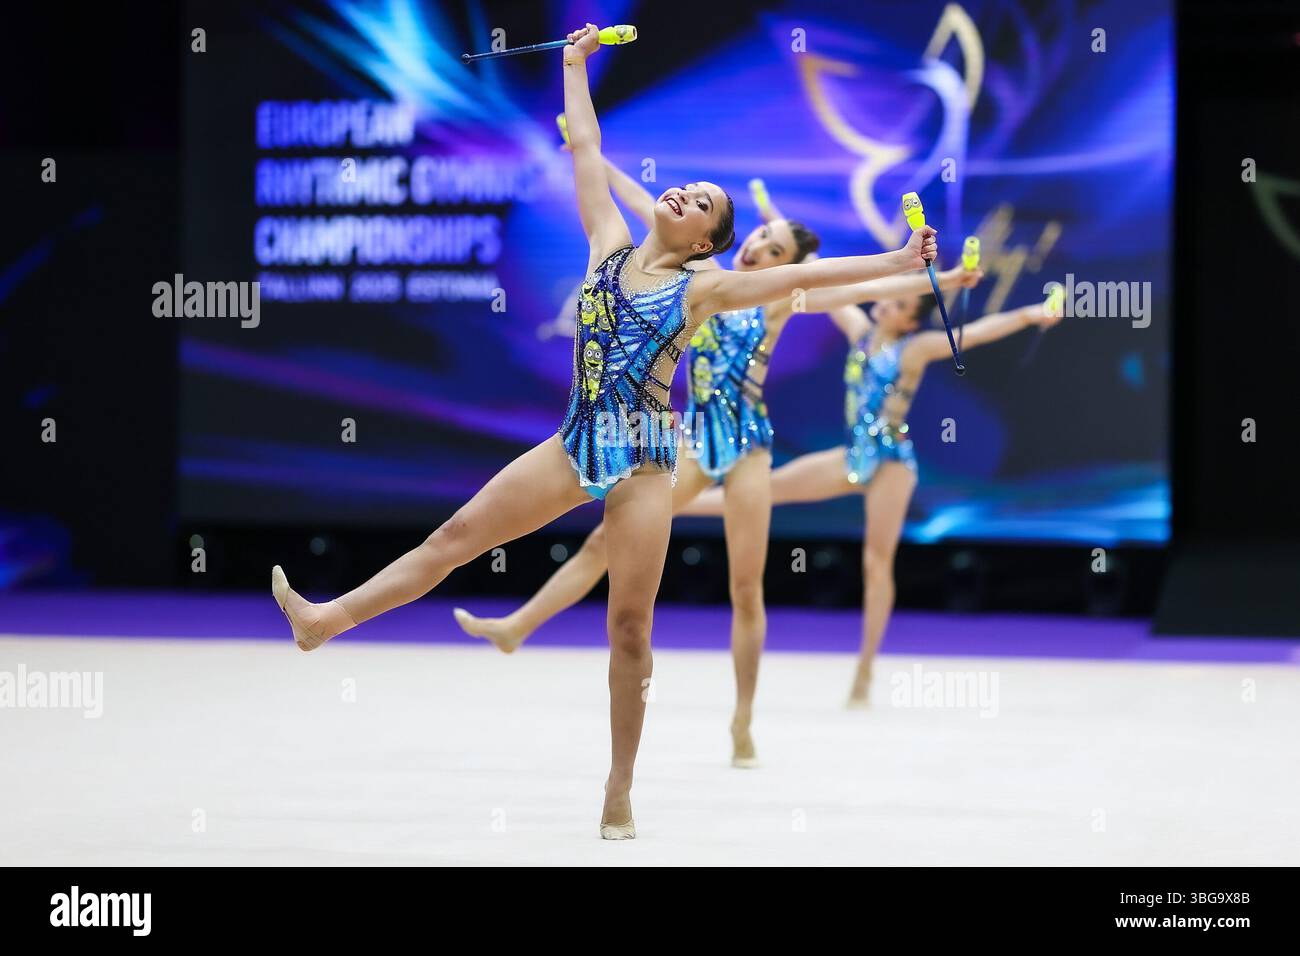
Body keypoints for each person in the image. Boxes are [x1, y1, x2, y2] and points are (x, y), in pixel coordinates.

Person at [272, 23, 939, 839]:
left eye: (703, 204)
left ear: (704, 241)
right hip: (578, 438)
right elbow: (584, 146)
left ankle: (619, 787)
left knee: (630, 628)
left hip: (648, 464)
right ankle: (324, 621)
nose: (686, 194)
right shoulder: (608, 243)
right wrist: (574, 64)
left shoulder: (707, 290)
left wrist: (899, 262)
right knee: (454, 536)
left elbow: (803, 275)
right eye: (689, 187)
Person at [681, 291, 1065, 706]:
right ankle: (669, 507)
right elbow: (826, 288)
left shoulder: (914, 349)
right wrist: (783, 231)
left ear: (910, 323)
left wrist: (1029, 313)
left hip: (890, 463)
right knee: (762, 492)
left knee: (876, 564)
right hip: (850, 454)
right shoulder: (861, 332)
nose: (886, 305)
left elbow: (973, 334)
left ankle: (864, 671)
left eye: (899, 306)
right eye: (888, 299)